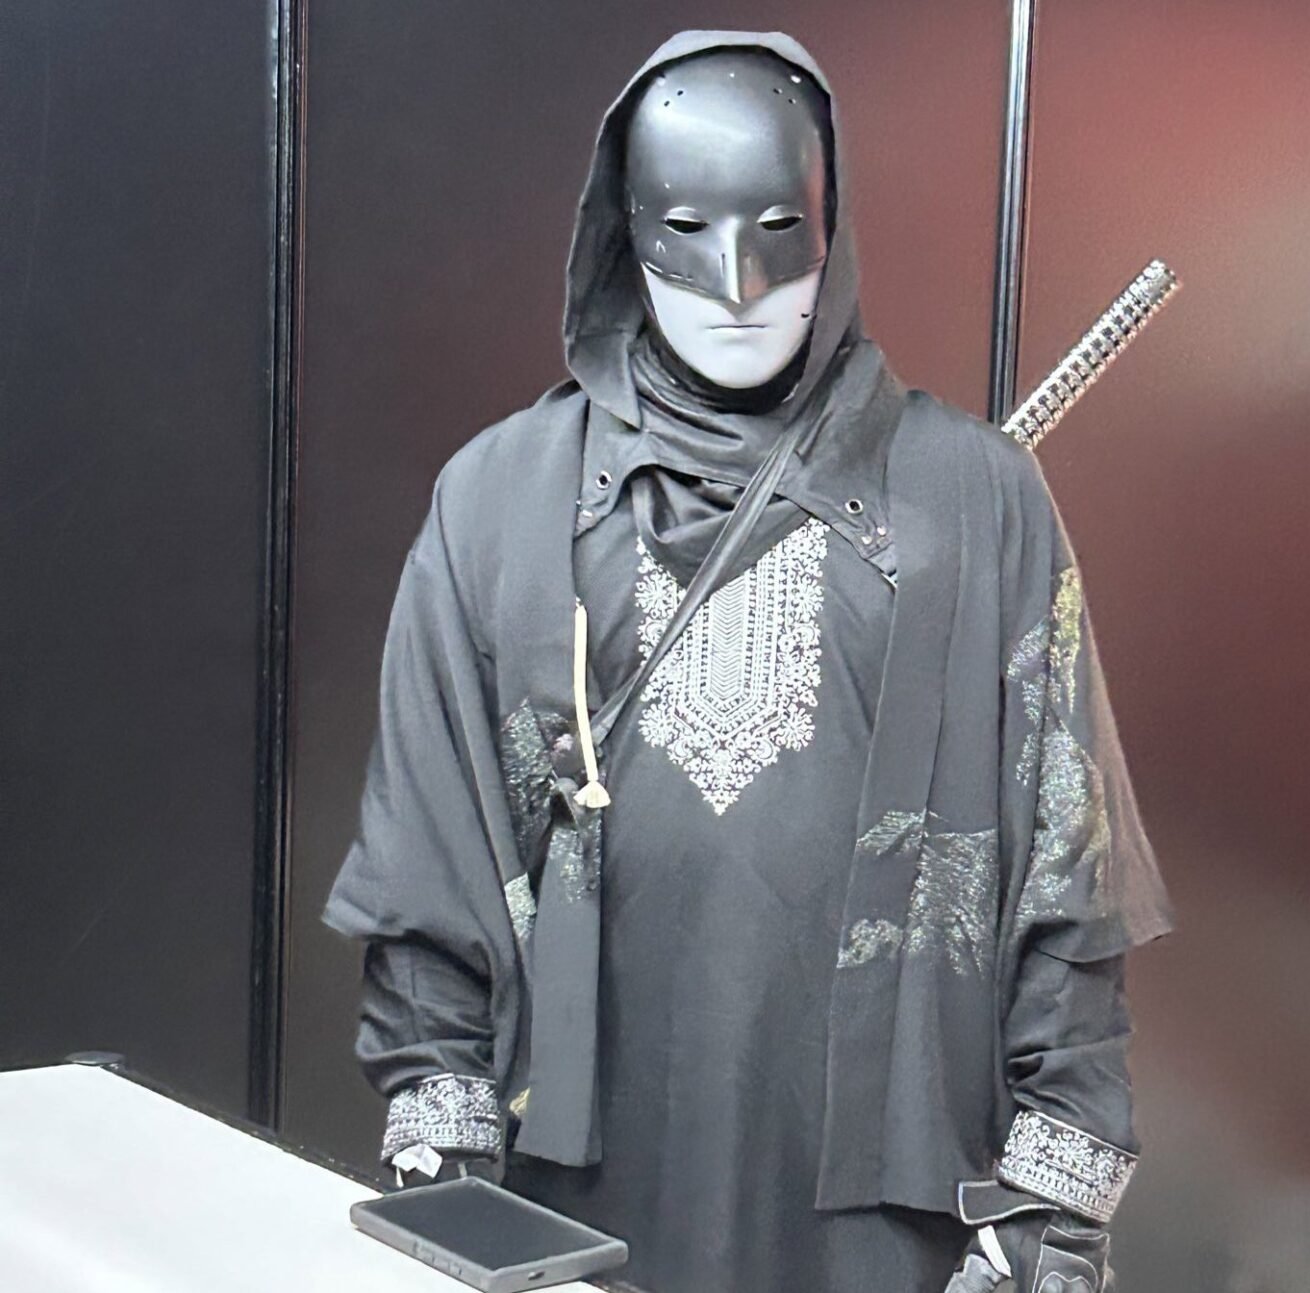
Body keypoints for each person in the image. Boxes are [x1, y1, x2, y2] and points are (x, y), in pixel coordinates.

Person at [324, 29, 1172, 1293]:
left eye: (778, 232)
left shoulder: (974, 497)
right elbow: (429, 866)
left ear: (829, 229)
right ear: (625, 234)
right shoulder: (499, 500)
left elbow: (1066, 878)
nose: (736, 289)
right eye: (689, 233)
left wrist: (1052, 1203)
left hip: (886, 1199)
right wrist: (442, 1160)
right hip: (572, 1190)